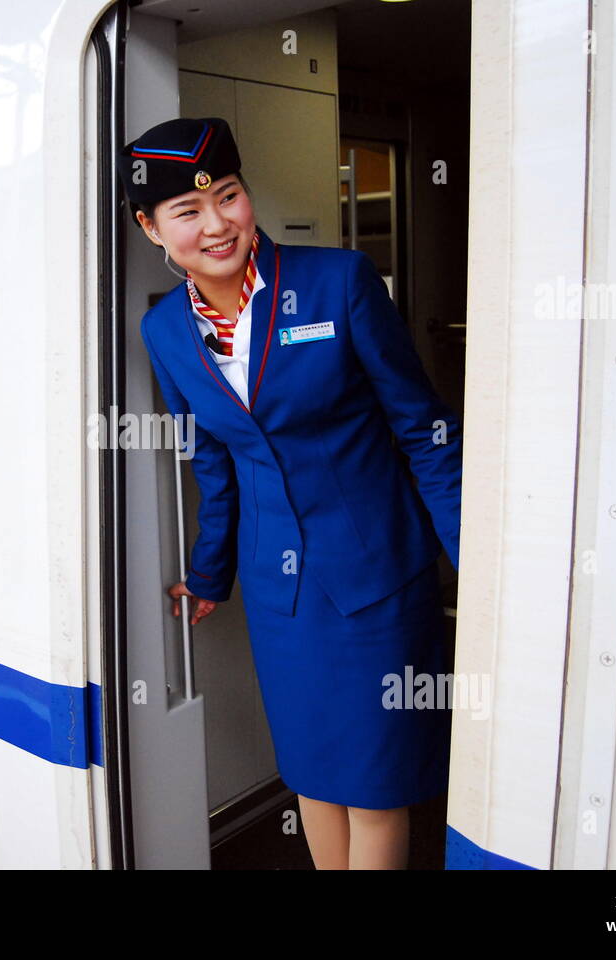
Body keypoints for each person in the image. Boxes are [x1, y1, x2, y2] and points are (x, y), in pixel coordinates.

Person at [123, 117, 463, 870]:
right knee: (312, 777)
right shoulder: (165, 332)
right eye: (187, 212)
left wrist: (476, 560)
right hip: (282, 599)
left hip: (375, 580)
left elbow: (425, 431)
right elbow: (211, 461)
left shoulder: (337, 282)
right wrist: (210, 573)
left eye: (230, 198)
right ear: (151, 228)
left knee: (375, 788)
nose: (217, 225)